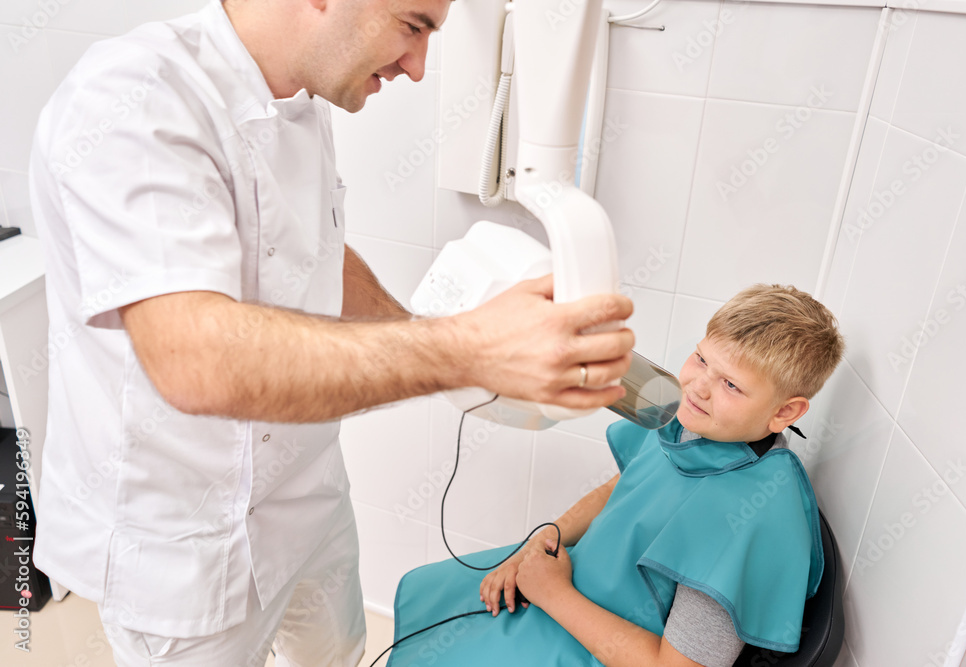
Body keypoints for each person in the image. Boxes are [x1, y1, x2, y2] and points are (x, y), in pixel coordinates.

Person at [27, 0, 634, 665]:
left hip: (307, 496)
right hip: (184, 543)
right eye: (413, 26)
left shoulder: (300, 96)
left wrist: (436, 333)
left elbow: (316, 252)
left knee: (336, 653)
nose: (418, 66)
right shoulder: (135, 99)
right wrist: (468, 349)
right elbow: (195, 360)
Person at [389, 284, 845, 667]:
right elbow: (624, 487)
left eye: (731, 385)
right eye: (702, 359)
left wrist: (551, 593)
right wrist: (544, 537)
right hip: (574, 588)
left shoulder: (754, 517)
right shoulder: (688, 422)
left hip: (599, 642)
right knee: (434, 593)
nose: (698, 386)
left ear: (785, 412)